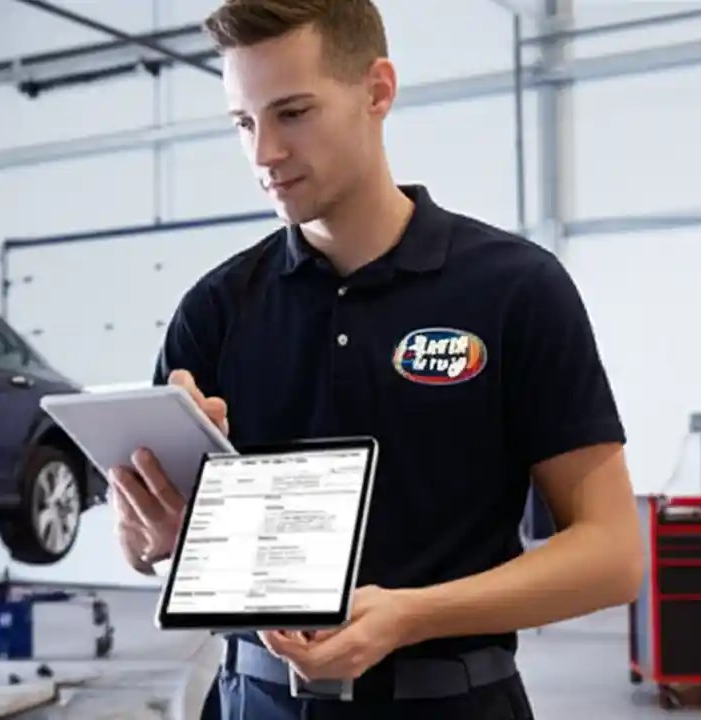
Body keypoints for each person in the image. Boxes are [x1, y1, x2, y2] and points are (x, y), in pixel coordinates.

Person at [107, 1, 645, 718]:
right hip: (255, 701)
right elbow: (145, 552)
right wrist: (154, 527)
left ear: (377, 90)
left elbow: (613, 555)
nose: (264, 152)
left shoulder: (515, 289)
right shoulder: (215, 310)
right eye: (244, 122)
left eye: (293, 113)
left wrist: (408, 615)